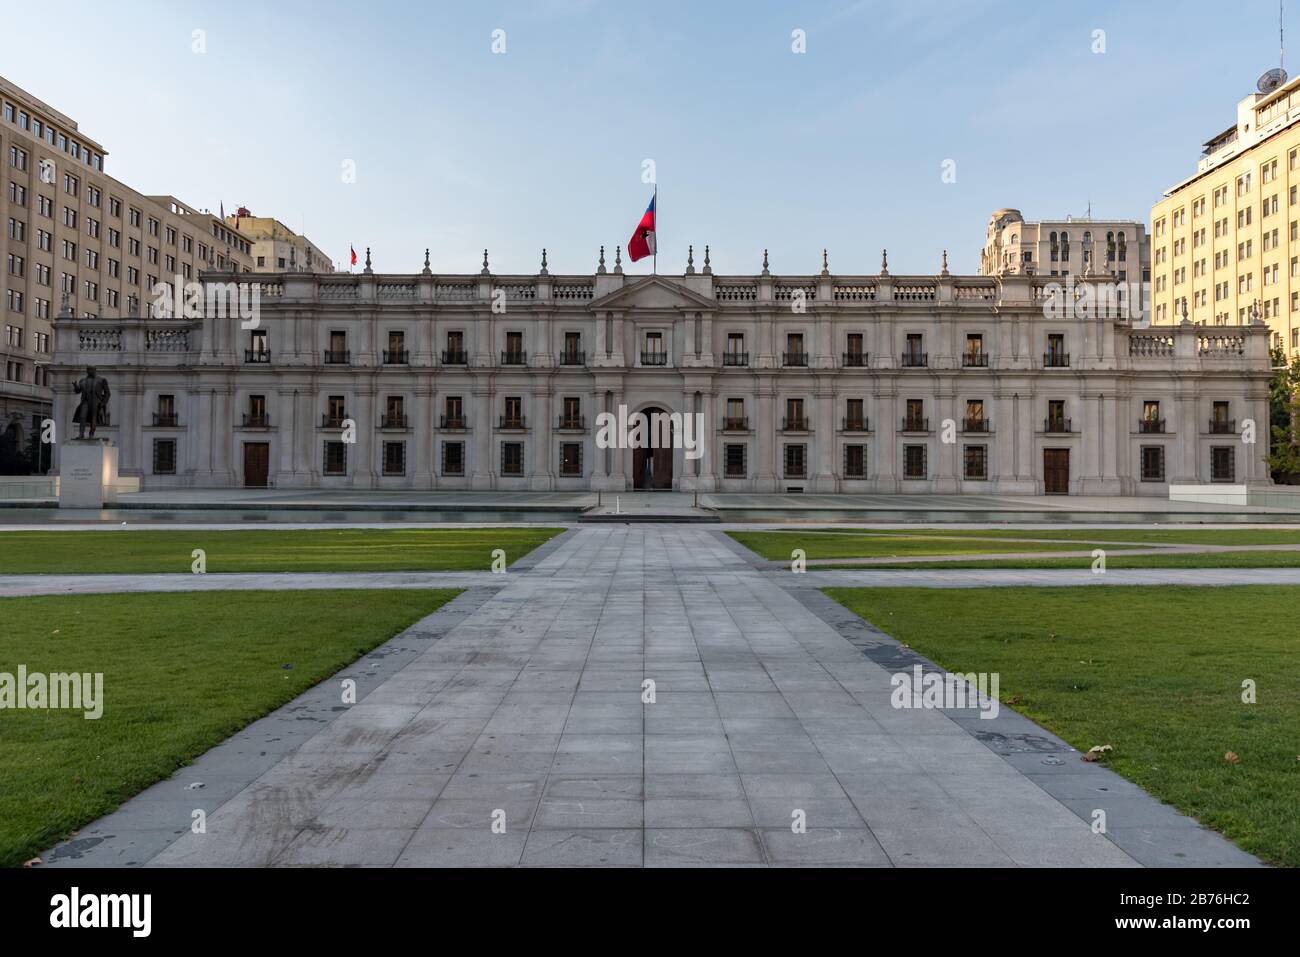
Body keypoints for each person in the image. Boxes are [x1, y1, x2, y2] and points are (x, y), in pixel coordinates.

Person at [73, 366, 111, 439]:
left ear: (95, 370)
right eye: (88, 370)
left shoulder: (101, 380)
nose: (90, 371)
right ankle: (81, 434)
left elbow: (108, 393)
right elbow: (78, 391)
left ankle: (91, 433)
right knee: (82, 416)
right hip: (85, 401)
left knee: (94, 418)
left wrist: (103, 403)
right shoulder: (82, 381)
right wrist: (75, 386)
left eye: (91, 370)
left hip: (96, 401)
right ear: (87, 371)